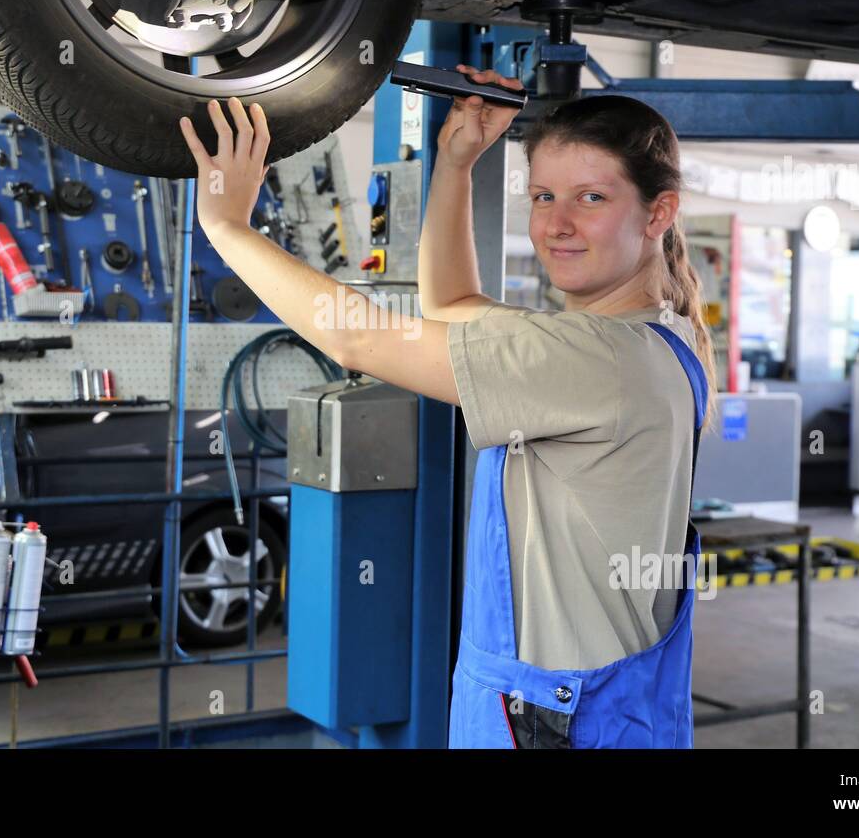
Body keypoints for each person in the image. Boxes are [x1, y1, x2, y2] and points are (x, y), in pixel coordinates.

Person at [178, 68, 717, 749]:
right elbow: (453, 308)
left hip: (555, 721)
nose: (556, 223)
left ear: (658, 213)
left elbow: (358, 336)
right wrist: (456, 163)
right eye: (544, 195)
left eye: (592, 197)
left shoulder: (591, 356)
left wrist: (228, 228)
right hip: (602, 711)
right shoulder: (655, 341)